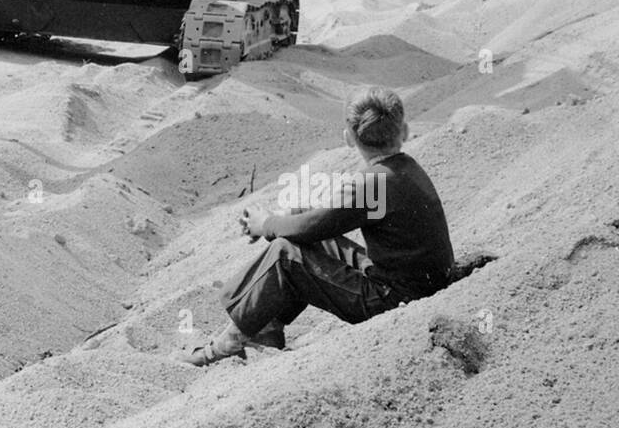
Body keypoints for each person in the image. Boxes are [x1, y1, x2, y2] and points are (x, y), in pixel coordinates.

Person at [182, 86, 454, 365]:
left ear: (348, 138)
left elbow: (315, 227)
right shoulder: (405, 169)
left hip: (394, 299)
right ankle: (266, 329)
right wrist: (280, 220)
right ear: (405, 131)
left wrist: (267, 224)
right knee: (299, 225)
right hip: (417, 284)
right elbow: (320, 221)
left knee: (285, 254)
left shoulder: (373, 183)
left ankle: (227, 345)